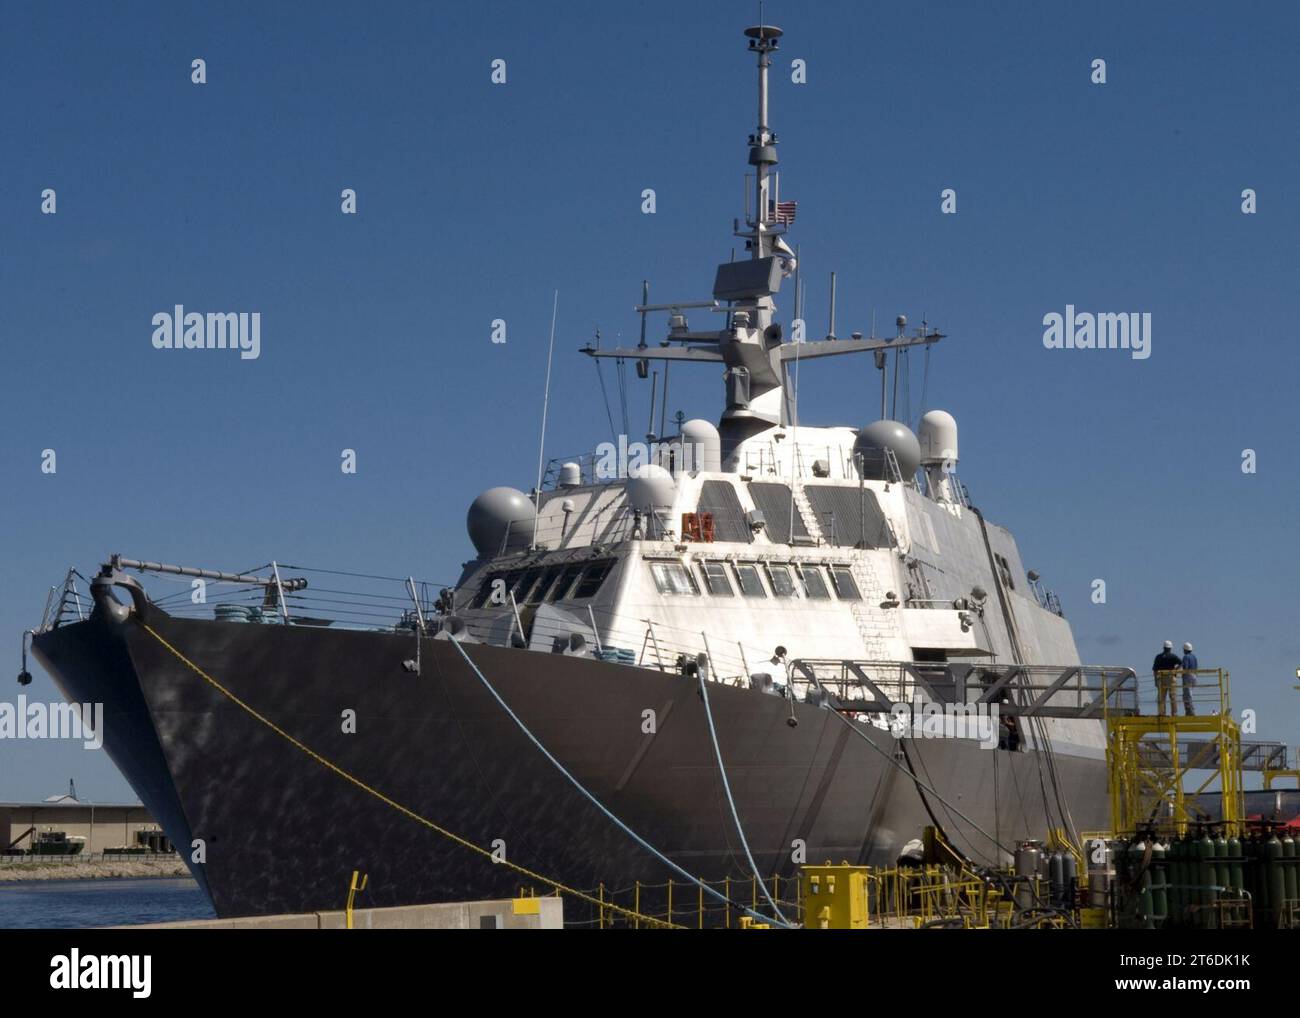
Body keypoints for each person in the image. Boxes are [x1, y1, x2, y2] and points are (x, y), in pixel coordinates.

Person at [1153, 640, 1181, 716]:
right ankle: (1174, 713)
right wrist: (1175, 670)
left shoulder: (1158, 657)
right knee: (1173, 697)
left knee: (1161, 697)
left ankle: (1162, 713)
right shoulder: (1173, 656)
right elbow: (1181, 663)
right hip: (1171, 677)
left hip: (1161, 677)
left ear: (1163, 648)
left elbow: (1154, 670)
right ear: (1170, 648)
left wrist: (1155, 680)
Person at [1180, 642, 1199, 716]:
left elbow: (1186, 667)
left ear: (1185, 649)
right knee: (1190, 693)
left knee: (1187, 694)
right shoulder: (1194, 657)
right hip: (1194, 675)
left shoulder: (1186, 657)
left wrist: (1182, 674)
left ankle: (1190, 711)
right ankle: (1190, 710)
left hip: (1188, 675)